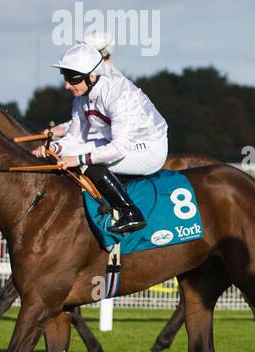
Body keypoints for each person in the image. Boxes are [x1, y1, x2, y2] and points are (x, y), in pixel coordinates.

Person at [33, 38, 169, 234]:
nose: (67, 85)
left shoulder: (117, 94)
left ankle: (130, 212)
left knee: (85, 163)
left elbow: (119, 148)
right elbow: (75, 139)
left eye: (73, 78)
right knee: (64, 157)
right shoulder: (81, 98)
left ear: (92, 76)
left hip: (149, 148)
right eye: (65, 76)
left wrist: (78, 159)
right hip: (118, 143)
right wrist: (53, 148)